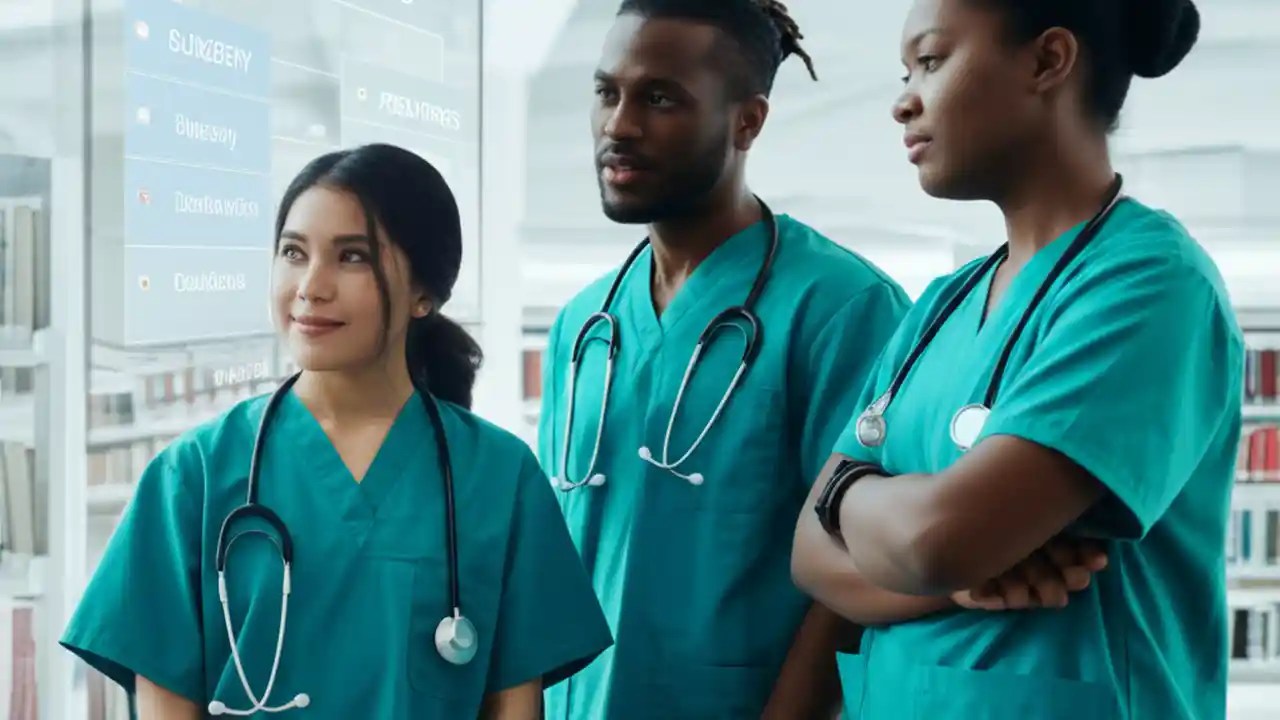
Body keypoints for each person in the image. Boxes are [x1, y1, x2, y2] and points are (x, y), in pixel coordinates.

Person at [792, 0, 1242, 718]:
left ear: (1047, 61)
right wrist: (952, 576)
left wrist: (844, 493)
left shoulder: (1151, 285)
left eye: (931, 62)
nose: (903, 102)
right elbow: (812, 559)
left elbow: (937, 536)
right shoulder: (941, 305)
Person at [61, 143, 613, 719]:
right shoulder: (192, 476)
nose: (311, 286)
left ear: (425, 293)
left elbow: (514, 706)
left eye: (352, 257)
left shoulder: (499, 478)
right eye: (293, 252)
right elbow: (165, 703)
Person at [536, 1, 912, 717]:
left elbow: (859, 575)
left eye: (660, 97)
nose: (619, 124)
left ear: (748, 121)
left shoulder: (842, 310)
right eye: (606, 92)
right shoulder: (585, 324)